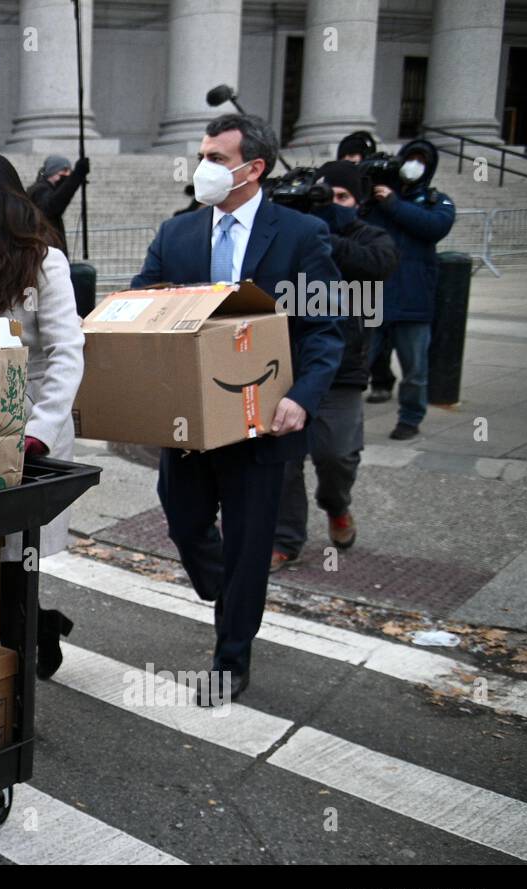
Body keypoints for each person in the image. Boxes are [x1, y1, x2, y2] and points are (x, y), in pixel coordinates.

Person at [131, 114, 343, 704]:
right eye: (202, 155)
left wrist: (302, 399)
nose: (204, 168)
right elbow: (142, 305)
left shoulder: (301, 235)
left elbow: (325, 330)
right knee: (183, 519)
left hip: (264, 419)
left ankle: (231, 656)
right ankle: (229, 587)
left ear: (254, 168)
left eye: (217, 158)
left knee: (250, 540)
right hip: (190, 420)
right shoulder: (177, 235)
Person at [0, 154, 84, 681]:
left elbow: (67, 350)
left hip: (35, 423)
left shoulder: (46, 262)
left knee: (19, 554)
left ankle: (28, 645)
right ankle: (38, 626)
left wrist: (40, 429)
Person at [271, 161, 398, 572]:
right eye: (326, 195)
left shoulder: (367, 237)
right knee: (284, 460)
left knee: (336, 455)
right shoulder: (291, 232)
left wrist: (319, 233)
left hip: (342, 368)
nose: (332, 204)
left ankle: (336, 504)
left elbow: (378, 265)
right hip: (286, 365)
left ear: (357, 203)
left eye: (342, 197)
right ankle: (285, 539)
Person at [362, 139, 455, 439]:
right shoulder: (374, 200)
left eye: (421, 160)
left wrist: (393, 203)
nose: (414, 164)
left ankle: (411, 418)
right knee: (357, 363)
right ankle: (341, 417)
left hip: (414, 299)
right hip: (373, 298)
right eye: (410, 158)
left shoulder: (434, 201)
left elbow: (433, 227)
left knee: (415, 370)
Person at [27, 154, 90, 257]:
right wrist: (76, 176)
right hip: (46, 253)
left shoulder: (43, 190)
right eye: (64, 170)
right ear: (52, 172)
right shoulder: (39, 191)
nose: (68, 174)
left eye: (69, 171)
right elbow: (52, 206)